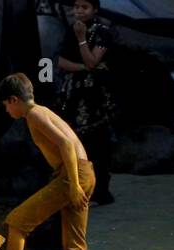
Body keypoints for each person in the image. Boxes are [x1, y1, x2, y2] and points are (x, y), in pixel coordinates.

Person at [0, 72, 96, 250]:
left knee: (17, 222)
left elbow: (66, 144)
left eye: (6, 105)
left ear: (14, 99)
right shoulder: (43, 111)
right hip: (84, 172)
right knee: (76, 247)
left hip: (73, 175)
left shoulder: (34, 114)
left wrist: (74, 185)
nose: (7, 110)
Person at [57, 0, 117, 205]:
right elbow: (61, 62)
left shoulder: (102, 32)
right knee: (74, 141)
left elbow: (93, 61)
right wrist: (84, 68)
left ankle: (100, 191)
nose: (79, 11)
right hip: (74, 93)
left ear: (95, 10)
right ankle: (79, 188)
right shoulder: (70, 30)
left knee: (97, 144)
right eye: (76, 7)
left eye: (85, 7)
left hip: (96, 97)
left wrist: (82, 39)